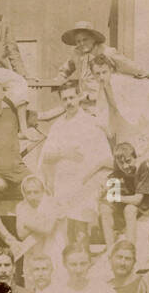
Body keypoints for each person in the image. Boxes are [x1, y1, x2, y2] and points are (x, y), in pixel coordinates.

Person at [38, 81, 112, 244]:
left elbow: (105, 157)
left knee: (80, 230)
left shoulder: (92, 123)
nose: (69, 102)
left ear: (79, 97)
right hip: (62, 183)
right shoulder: (58, 126)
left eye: (72, 97)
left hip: (84, 183)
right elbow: (47, 156)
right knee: (62, 230)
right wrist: (63, 153)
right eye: (64, 99)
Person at [99, 141, 149, 246]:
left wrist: (115, 197)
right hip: (134, 196)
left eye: (128, 161)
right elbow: (112, 176)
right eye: (121, 163)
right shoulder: (121, 168)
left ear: (135, 157)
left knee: (129, 209)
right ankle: (110, 247)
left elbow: (137, 199)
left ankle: (130, 247)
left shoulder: (145, 165)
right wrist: (105, 187)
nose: (125, 166)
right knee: (104, 207)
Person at [56, 21, 149, 88]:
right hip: (85, 96)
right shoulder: (76, 53)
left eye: (85, 40)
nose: (81, 44)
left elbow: (127, 64)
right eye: (78, 41)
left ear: (93, 39)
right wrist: (60, 78)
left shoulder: (106, 51)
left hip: (103, 95)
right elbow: (65, 69)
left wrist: (144, 74)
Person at [13, 175, 63, 274]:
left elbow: (47, 229)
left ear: (43, 191)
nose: (32, 196)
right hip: (32, 252)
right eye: (29, 193)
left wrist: (26, 222)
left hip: (52, 249)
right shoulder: (21, 206)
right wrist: (40, 223)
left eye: (36, 192)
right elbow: (21, 234)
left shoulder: (52, 203)